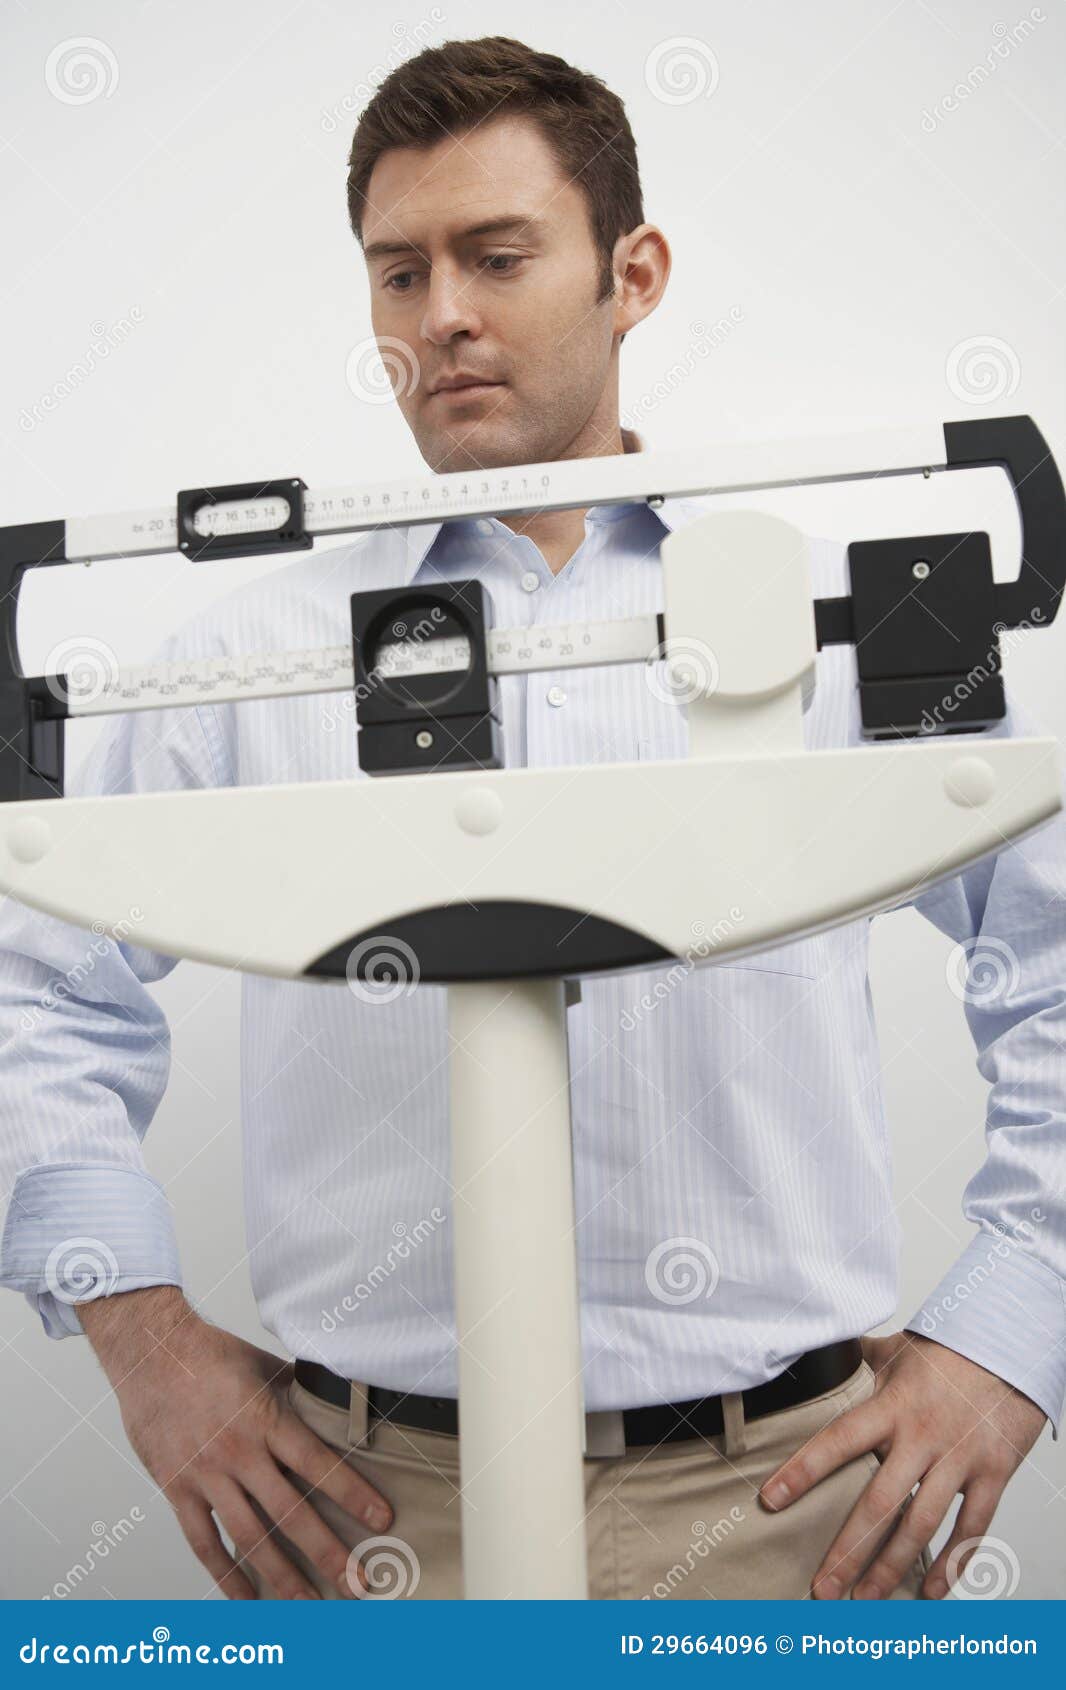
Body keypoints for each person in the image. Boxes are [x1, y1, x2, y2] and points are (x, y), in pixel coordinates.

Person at [0, 35, 1061, 1603]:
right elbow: (37, 979)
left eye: (497, 257)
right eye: (397, 273)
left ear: (631, 271)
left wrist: (1005, 1331)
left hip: (792, 1511)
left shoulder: (852, 613)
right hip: (371, 1516)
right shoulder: (245, 652)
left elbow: (1047, 955)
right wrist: (141, 1337)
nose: (441, 318)